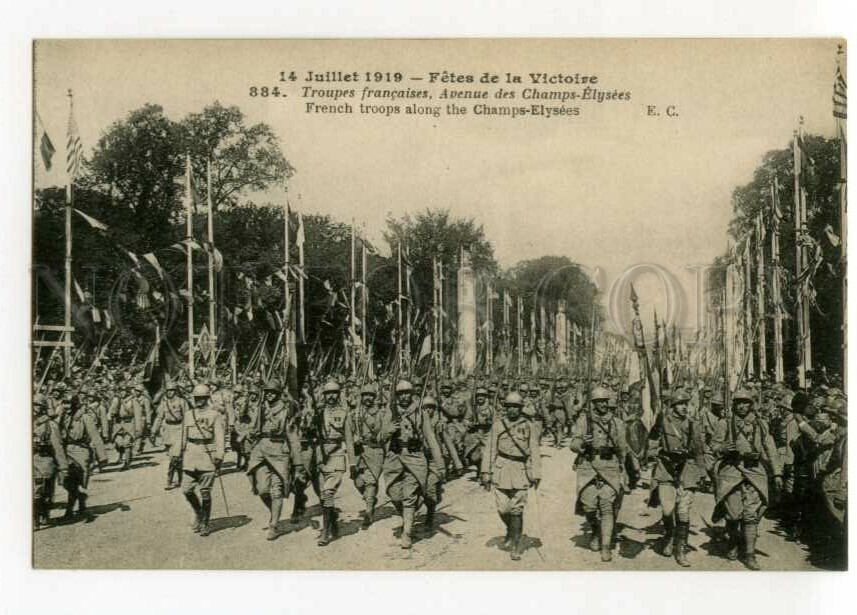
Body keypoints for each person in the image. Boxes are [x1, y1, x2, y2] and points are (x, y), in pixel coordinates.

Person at [711, 389, 783, 570]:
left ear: (751, 404)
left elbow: (771, 448)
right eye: (738, 403)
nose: (742, 406)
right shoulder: (724, 423)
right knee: (733, 514)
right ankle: (734, 541)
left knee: (751, 516)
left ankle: (749, 554)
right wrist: (723, 448)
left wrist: (777, 473)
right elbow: (713, 445)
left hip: (754, 471)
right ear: (733, 404)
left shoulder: (761, 423)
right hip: (731, 472)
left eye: (746, 402)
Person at [382, 380, 445, 549]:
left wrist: (440, 465)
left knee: (409, 497)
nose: (404, 396)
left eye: (407, 393)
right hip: (394, 459)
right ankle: (408, 515)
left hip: (416, 458)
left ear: (412, 394)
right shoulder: (390, 411)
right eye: (401, 393)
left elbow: (431, 438)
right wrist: (389, 430)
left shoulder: (420, 412)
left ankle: (407, 533)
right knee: (395, 495)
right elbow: (380, 437)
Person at [569, 385, 629, 562]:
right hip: (588, 466)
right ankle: (595, 530)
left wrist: (623, 469)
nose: (603, 404)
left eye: (605, 401)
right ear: (593, 403)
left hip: (610, 466)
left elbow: (622, 449)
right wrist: (582, 444)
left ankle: (606, 546)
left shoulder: (617, 423)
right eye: (599, 402)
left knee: (606, 506)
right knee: (589, 506)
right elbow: (573, 444)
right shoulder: (584, 421)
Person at [480, 391, 541, 561]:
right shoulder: (498, 425)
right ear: (505, 408)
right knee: (502, 508)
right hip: (501, 469)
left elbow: (534, 451)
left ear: (521, 408)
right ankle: (511, 530)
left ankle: (515, 544)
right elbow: (490, 450)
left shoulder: (529, 426)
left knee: (517, 509)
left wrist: (536, 474)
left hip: (521, 470)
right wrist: (486, 472)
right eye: (509, 407)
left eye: (516, 407)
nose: (512, 410)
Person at [647, 388, 705, 566]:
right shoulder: (662, 421)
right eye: (680, 404)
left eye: (686, 404)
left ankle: (680, 550)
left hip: (686, 470)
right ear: (673, 406)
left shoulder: (692, 424)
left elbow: (698, 450)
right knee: (667, 510)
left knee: (683, 511)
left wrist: (701, 472)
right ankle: (670, 535)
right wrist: (657, 452)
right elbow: (651, 442)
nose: (684, 407)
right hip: (666, 469)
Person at [246, 379, 306, 540]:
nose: (270, 394)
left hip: (280, 452)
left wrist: (298, 462)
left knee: (277, 490)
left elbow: (292, 436)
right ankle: (274, 512)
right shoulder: (260, 408)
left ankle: (274, 525)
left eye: (273, 392)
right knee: (263, 489)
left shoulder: (286, 410)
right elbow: (250, 425)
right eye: (267, 392)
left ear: (279, 394)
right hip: (261, 451)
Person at [181, 384, 225, 537]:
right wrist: (179, 453)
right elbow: (183, 436)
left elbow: (219, 438)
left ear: (207, 398)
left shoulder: (215, 415)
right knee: (186, 489)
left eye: (202, 398)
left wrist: (220, 456)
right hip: (191, 454)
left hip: (207, 454)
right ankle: (199, 512)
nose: (198, 401)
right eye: (196, 398)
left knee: (205, 492)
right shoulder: (188, 415)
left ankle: (205, 522)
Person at [315, 380, 355, 546]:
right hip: (320, 455)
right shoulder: (317, 412)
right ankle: (332, 522)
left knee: (328, 493)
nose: (331, 396)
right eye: (328, 393)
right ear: (324, 395)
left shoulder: (345, 413)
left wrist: (352, 463)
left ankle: (325, 532)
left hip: (337, 455)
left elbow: (349, 439)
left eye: (334, 393)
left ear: (338, 395)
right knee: (323, 496)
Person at [349, 383, 394, 529]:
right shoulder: (355, 414)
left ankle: (368, 512)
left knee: (370, 482)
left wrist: (380, 437)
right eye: (365, 395)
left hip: (375, 451)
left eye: (370, 395)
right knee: (358, 482)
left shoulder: (381, 413)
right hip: (359, 451)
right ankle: (370, 498)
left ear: (374, 397)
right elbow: (348, 433)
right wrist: (354, 436)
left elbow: (385, 433)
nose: (367, 398)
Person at [60, 392, 107, 519]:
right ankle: (80, 497)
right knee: (66, 481)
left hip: (81, 451)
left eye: (69, 404)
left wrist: (102, 456)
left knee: (77, 480)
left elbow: (95, 436)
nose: (66, 406)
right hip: (66, 450)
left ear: (75, 404)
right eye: (64, 403)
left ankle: (70, 509)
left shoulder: (85, 417)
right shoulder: (62, 416)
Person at [33, 393, 68, 528]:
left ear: (43, 407)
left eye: (37, 405)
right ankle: (35, 518)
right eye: (33, 404)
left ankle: (43, 514)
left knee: (44, 492)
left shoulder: (50, 425)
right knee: (34, 492)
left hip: (45, 461)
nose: (34, 408)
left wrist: (63, 467)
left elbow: (57, 447)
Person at [151, 379, 189, 490]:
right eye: (168, 391)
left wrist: (187, 432)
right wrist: (154, 431)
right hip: (168, 431)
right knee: (174, 457)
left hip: (179, 429)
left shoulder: (182, 402)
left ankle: (169, 480)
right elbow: (159, 418)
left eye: (172, 390)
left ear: (175, 391)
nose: (170, 393)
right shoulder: (164, 404)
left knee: (175, 457)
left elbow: (187, 418)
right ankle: (180, 479)